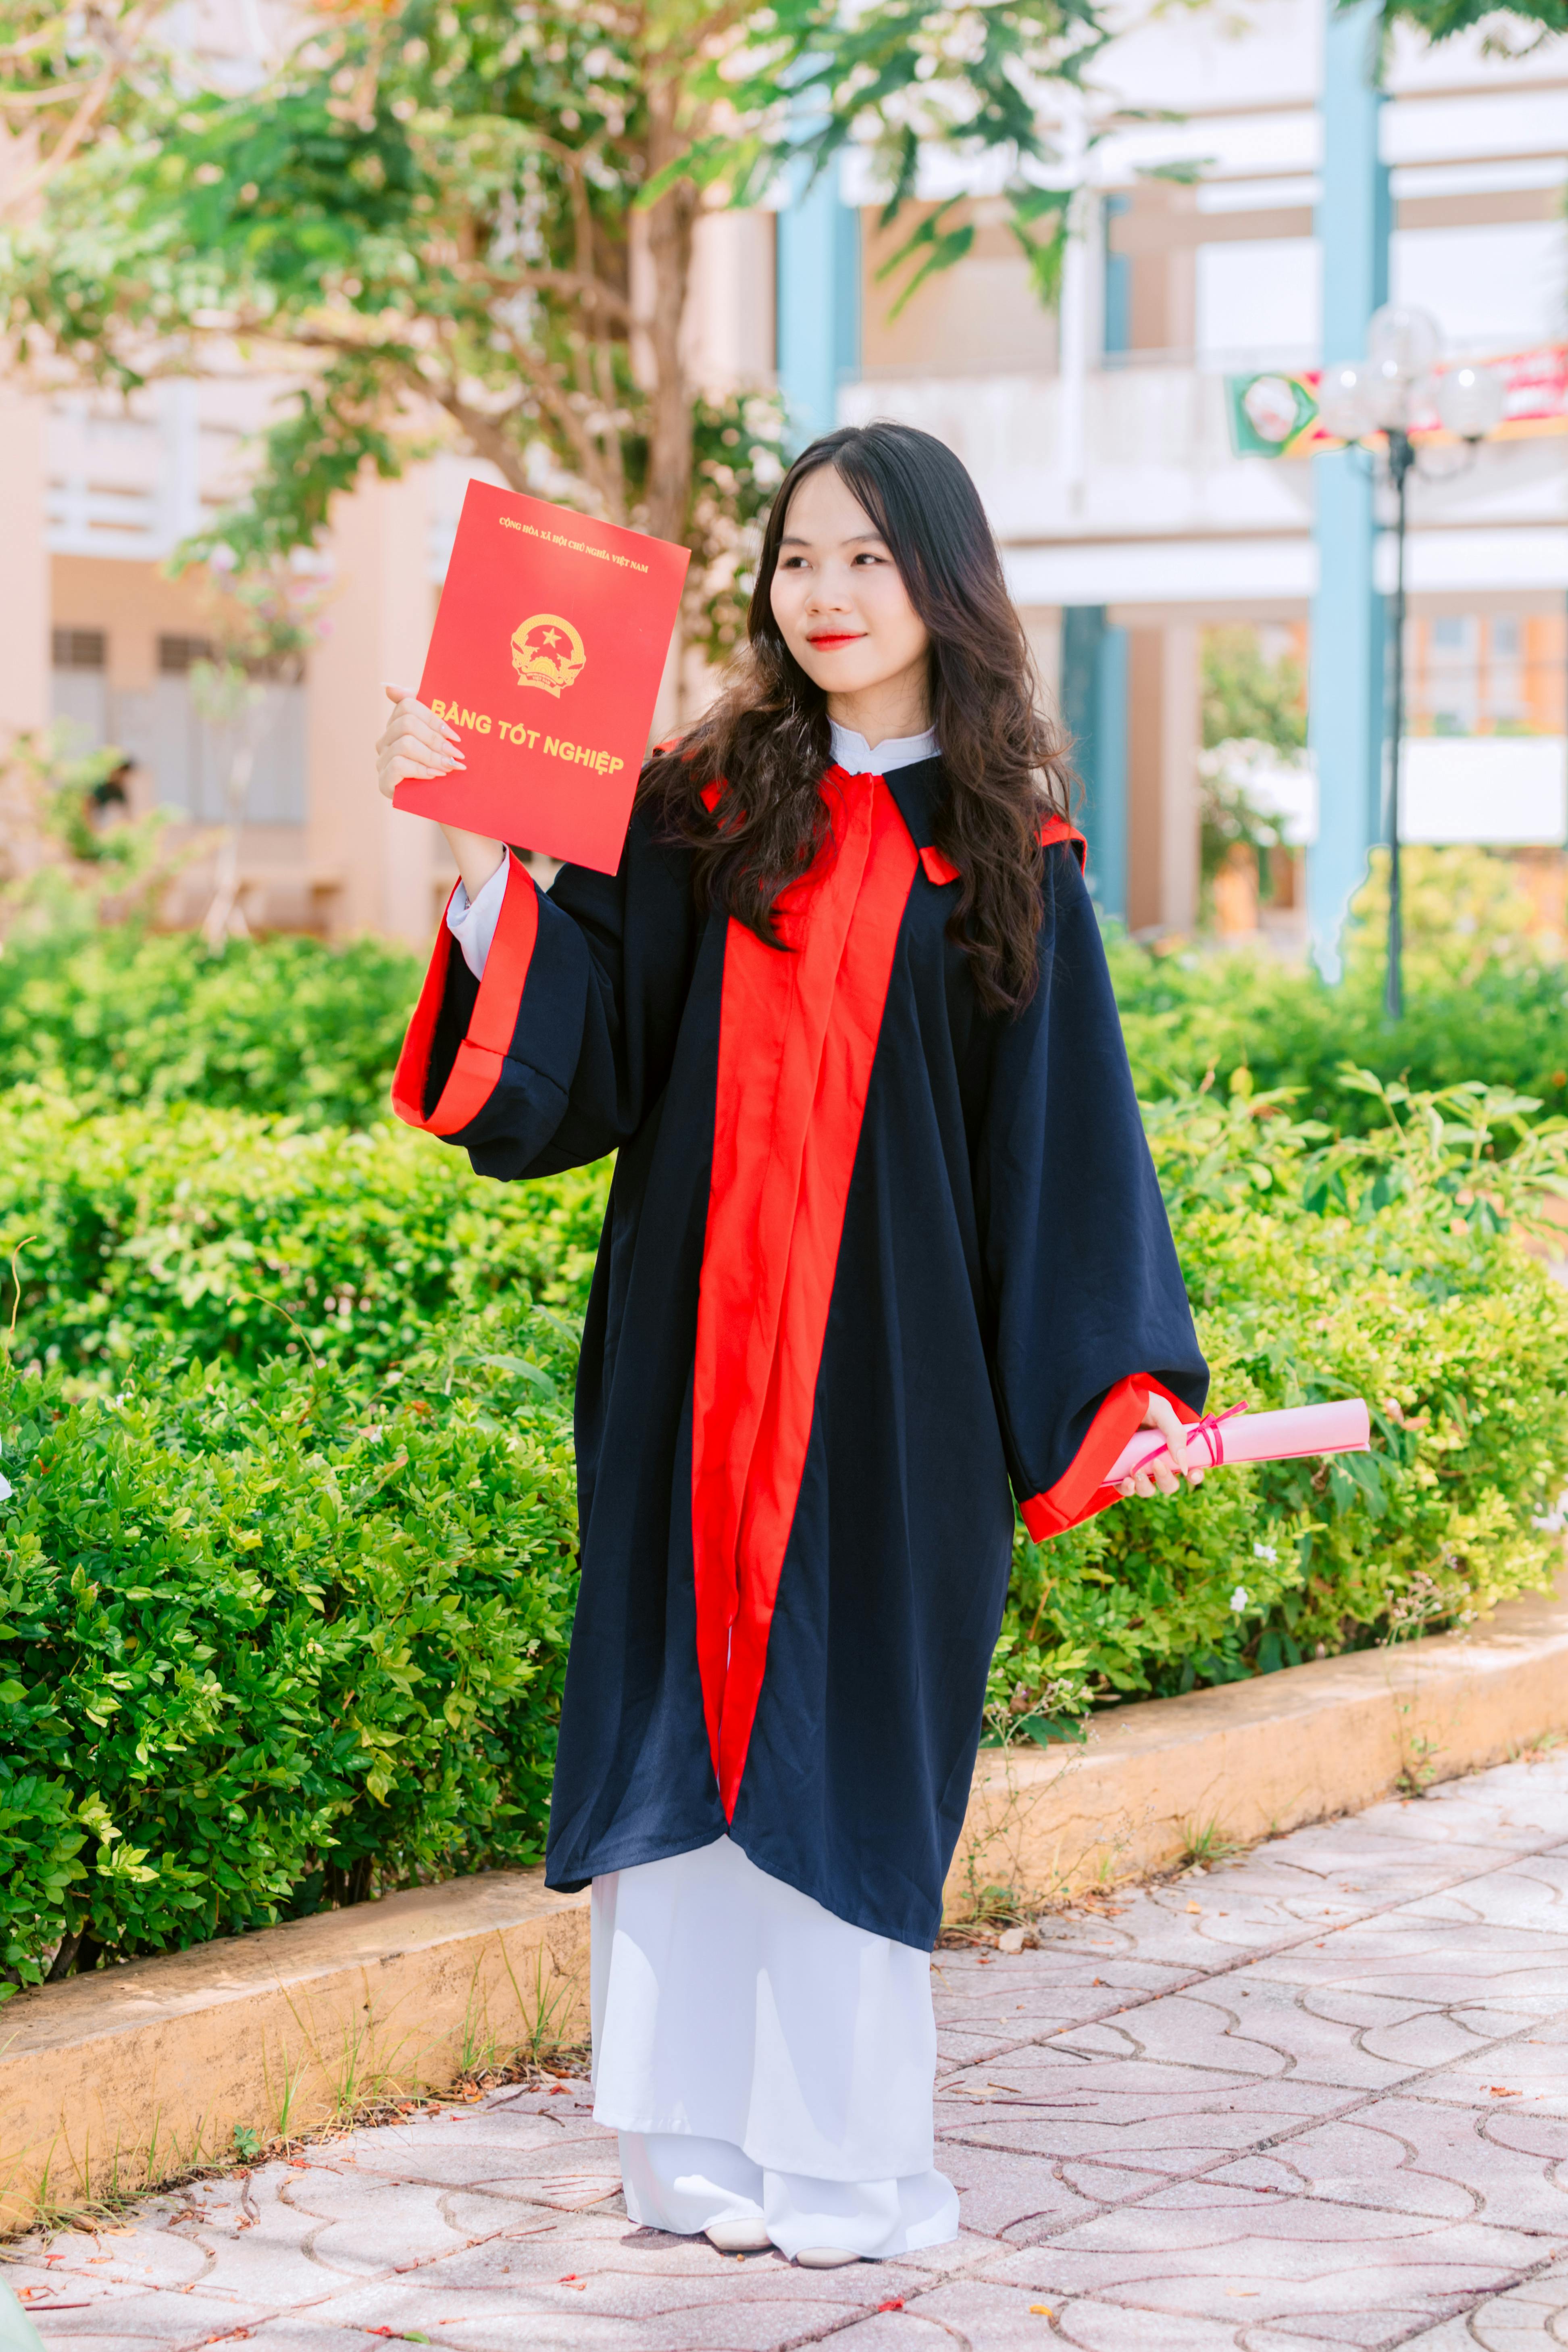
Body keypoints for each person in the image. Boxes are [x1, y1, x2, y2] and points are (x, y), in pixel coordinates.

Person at [377, 422, 1208, 2267]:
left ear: (942, 581)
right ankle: (684, 2143)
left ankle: (844, 2155)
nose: (823, 594)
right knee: (675, 1746)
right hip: (686, 1375)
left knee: (849, 1747)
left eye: (866, 558)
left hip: (883, 1398)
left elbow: (1061, 1147)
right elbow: (579, 1057)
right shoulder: (698, 809)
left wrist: (1112, 1383)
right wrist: (477, 850)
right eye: (796, 558)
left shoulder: (1006, 851)